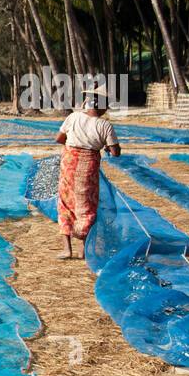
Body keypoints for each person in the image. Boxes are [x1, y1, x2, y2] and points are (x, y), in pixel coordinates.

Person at [55, 86, 121, 260]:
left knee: (66, 202)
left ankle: (67, 249)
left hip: (69, 163)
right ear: (100, 106)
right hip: (88, 165)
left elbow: (59, 138)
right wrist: (104, 146)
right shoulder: (105, 125)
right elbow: (115, 152)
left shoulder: (73, 117)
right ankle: (84, 249)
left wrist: (75, 146)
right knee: (87, 205)